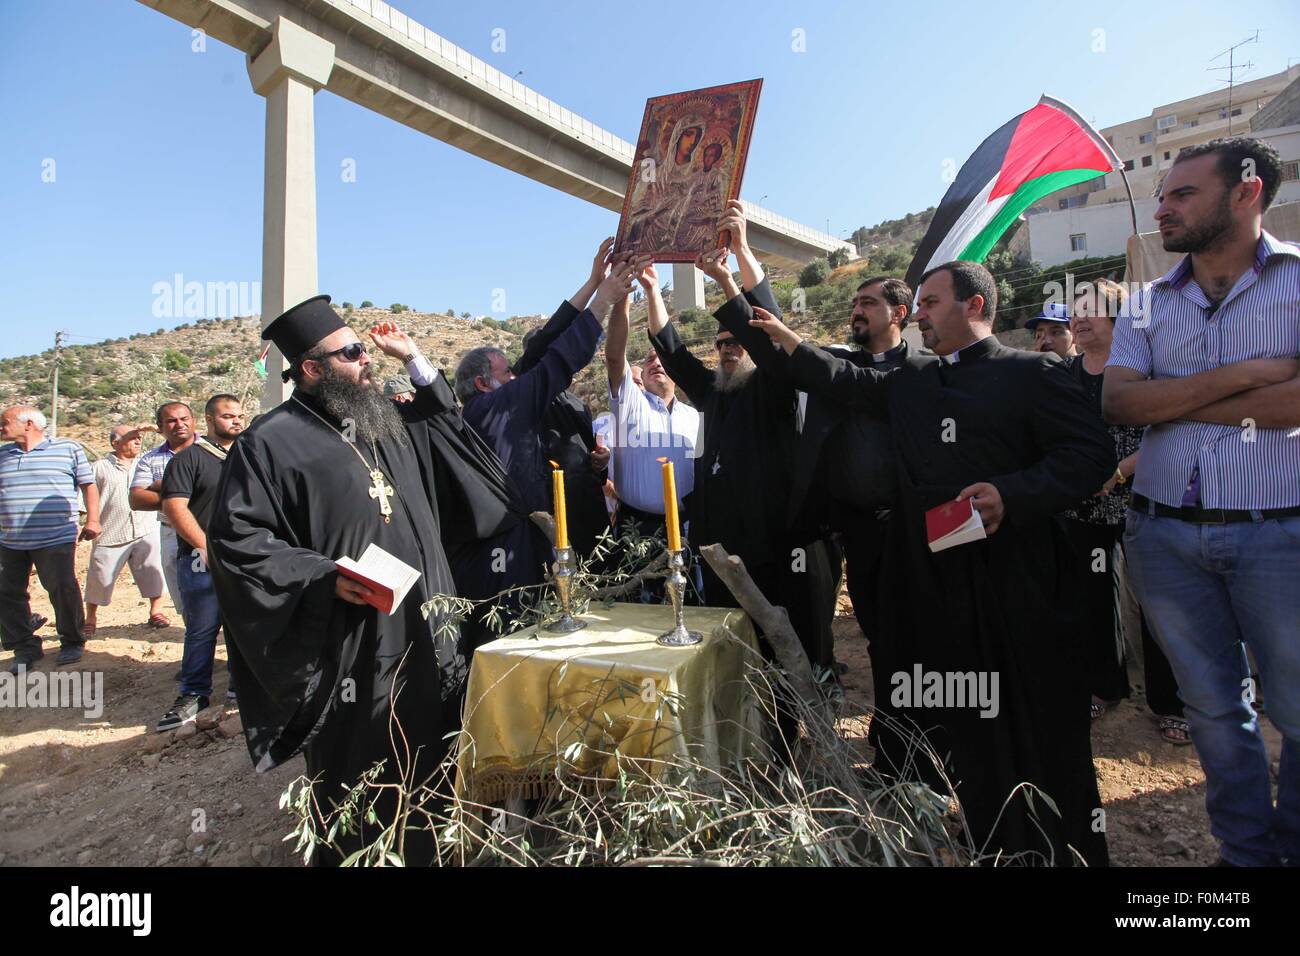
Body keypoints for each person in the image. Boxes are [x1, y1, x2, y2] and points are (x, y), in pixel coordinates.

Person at [748, 260, 1116, 866]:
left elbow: (1090, 455)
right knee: (970, 729)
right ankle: (993, 845)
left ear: (974, 306)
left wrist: (1012, 495)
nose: (918, 313)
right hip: (938, 587)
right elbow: (840, 377)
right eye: (916, 304)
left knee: (1039, 730)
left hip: (1021, 586)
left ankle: (1063, 851)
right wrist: (780, 334)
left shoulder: (1034, 372)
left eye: (931, 302)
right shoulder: (913, 381)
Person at [206, 295, 465, 865]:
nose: (365, 360)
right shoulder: (268, 442)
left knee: (433, 736)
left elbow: (449, 420)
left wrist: (413, 355)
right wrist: (323, 575)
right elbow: (237, 543)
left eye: (361, 348)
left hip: (426, 614)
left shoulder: (381, 417)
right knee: (363, 753)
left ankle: (433, 845)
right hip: (355, 633)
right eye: (350, 353)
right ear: (312, 370)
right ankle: (362, 852)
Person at [1103, 137, 1300, 867]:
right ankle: (1247, 858)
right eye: (1161, 196)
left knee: (1299, 711)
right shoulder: (1150, 303)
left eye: (1182, 193)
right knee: (1215, 712)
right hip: (1165, 538)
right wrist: (1247, 374)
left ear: (1246, 193)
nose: (1162, 208)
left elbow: (1297, 406)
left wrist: (1174, 402)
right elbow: (1119, 401)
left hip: (1279, 535)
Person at [647, 208, 824, 669]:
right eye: (721, 343)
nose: (728, 349)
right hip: (717, 547)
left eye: (737, 341)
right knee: (728, 650)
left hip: (768, 547)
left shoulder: (774, 386)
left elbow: (770, 332)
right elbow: (672, 350)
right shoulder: (712, 391)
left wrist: (730, 272)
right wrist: (650, 290)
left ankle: (787, 730)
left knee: (776, 649)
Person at [452, 248, 643, 645]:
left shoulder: (493, 405)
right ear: (485, 382)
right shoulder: (496, 407)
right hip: (511, 557)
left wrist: (593, 283)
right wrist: (604, 297)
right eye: (508, 373)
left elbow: (550, 346)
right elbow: (555, 358)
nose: (517, 376)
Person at [1064, 280, 1185, 741]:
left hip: (1143, 503)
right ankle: (1104, 688)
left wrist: (1117, 473)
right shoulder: (1063, 375)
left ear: (1118, 319)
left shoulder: (1142, 370)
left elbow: (1167, 430)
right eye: (1076, 311)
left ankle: (1171, 703)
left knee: (1155, 607)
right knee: (1093, 603)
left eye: (1090, 310)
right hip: (1083, 512)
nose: (1079, 319)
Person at [155, 394, 245, 731]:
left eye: (239, 415)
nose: (235, 421)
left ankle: (241, 688)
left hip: (244, 559)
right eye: (227, 416)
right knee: (203, 629)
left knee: (244, 625)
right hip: (200, 559)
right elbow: (175, 507)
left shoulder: (248, 454)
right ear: (208, 420)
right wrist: (204, 545)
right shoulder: (188, 458)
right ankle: (194, 693)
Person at [604, 263, 700, 561]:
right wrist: (624, 297)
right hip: (637, 529)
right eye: (648, 360)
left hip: (687, 529)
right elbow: (614, 355)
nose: (656, 363)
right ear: (641, 375)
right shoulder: (630, 403)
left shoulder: (695, 417)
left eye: (662, 360)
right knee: (640, 608)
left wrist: (654, 289)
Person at [0, 406, 100, 672]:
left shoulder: (67, 449)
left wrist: (93, 519)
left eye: (5, 422)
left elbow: (88, 485)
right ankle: (24, 646)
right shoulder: (2, 455)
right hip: (9, 538)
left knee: (61, 587)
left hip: (55, 536)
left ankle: (72, 641)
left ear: (29, 423)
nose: (1, 427)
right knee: (7, 593)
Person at [83, 423, 167, 637]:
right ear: (115, 443)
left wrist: (156, 429)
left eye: (139, 437)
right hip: (111, 530)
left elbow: (173, 445)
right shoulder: (100, 468)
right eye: (131, 437)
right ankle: (90, 617)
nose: (138, 441)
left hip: (146, 527)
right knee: (100, 576)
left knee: (153, 570)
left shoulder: (145, 463)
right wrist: (90, 521)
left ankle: (156, 612)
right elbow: (88, 497)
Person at [130, 402, 196, 620]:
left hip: (211, 528)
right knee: (184, 595)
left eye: (184, 418)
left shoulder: (212, 451)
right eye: (171, 421)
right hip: (171, 532)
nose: (180, 424)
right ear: (160, 426)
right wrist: (185, 499)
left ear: (193, 420)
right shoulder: (150, 459)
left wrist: (162, 486)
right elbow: (137, 498)